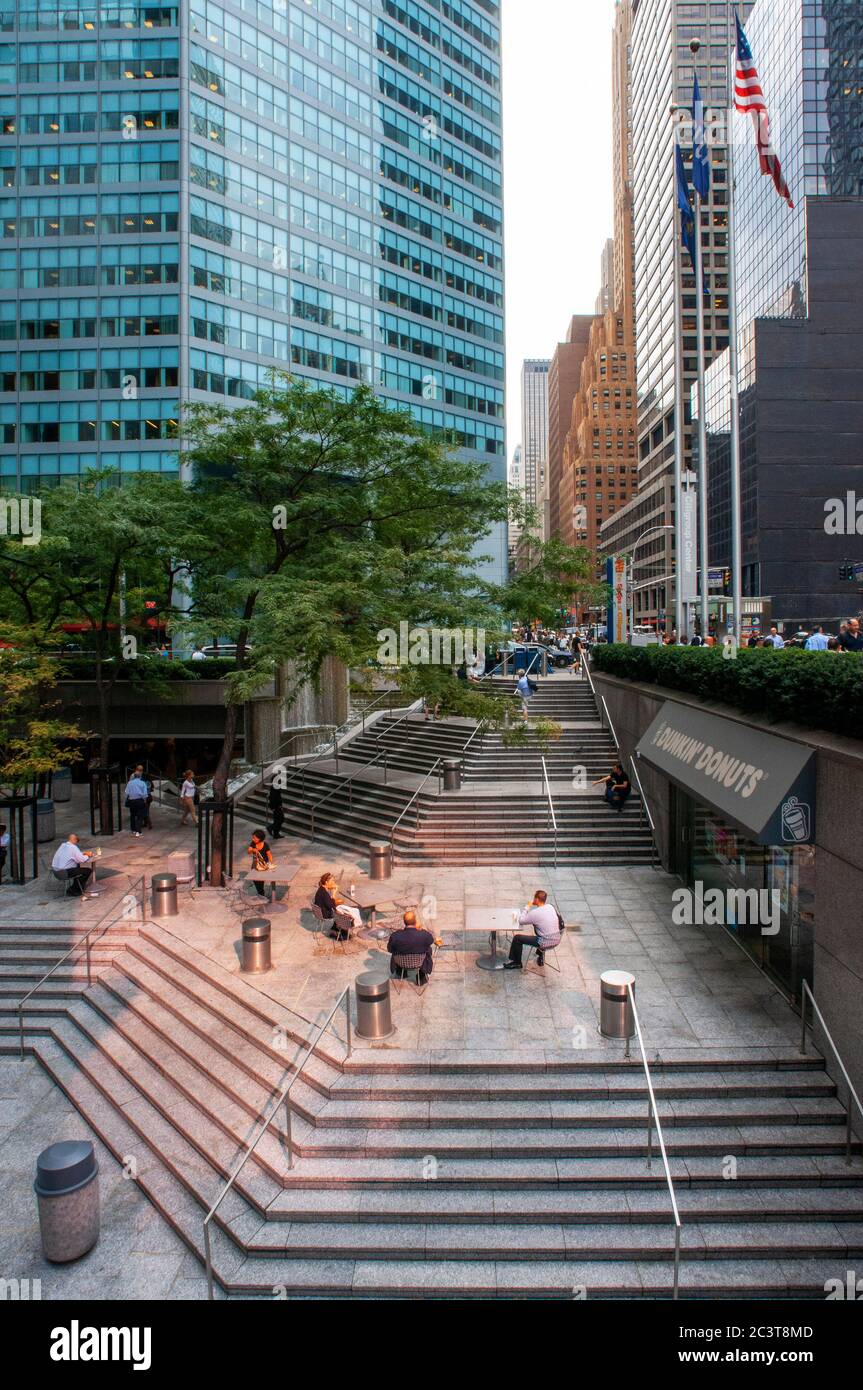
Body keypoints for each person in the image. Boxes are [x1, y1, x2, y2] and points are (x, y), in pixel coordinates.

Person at [504, 889, 561, 971]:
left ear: (537, 899)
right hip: (557, 938)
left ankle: (517, 962)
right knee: (540, 929)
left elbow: (521, 920)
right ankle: (540, 955)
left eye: (534, 898)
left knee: (517, 938)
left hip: (544, 942)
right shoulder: (550, 906)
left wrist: (527, 907)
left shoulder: (535, 913)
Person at [388, 910, 437, 985]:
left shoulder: (395, 936)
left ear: (404, 922)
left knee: (396, 949)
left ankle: (401, 972)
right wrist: (421, 929)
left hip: (401, 963)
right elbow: (431, 940)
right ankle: (421, 976)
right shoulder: (424, 935)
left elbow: (390, 949)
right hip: (419, 963)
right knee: (428, 949)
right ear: (415, 921)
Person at [314, 872, 363, 939]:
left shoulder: (321, 889)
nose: (334, 883)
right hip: (325, 913)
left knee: (341, 908)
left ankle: (335, 929)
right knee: (344, 913)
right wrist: (334, 893)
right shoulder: (324, 893)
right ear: (326, 882)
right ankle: (344, 930)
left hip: (321, 912)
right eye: (332, 881)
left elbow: (329, 903)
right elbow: (332, 906)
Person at [246, 830, 275, 899]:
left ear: (260, 838)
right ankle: (261, 893)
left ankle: (261, 894)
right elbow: (248, 851)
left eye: (254, 838)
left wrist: (271, 863)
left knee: (261, 880)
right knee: (255, 879)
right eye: (253, 837)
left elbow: (269, 855)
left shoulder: (265, 845)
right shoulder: (253, 843)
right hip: (255, 865)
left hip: (263, 866)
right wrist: (253, 850)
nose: (253, 839)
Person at [124, 766, 149, 837]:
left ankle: (133, 829)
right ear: (140, 776)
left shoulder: (130, 783)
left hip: (132, 801)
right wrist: (145, 801)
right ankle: (138, 831)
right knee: (139, 816)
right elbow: (145, 794)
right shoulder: (142, 783)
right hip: (140, 800)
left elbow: (127, 792)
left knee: (133, 815)